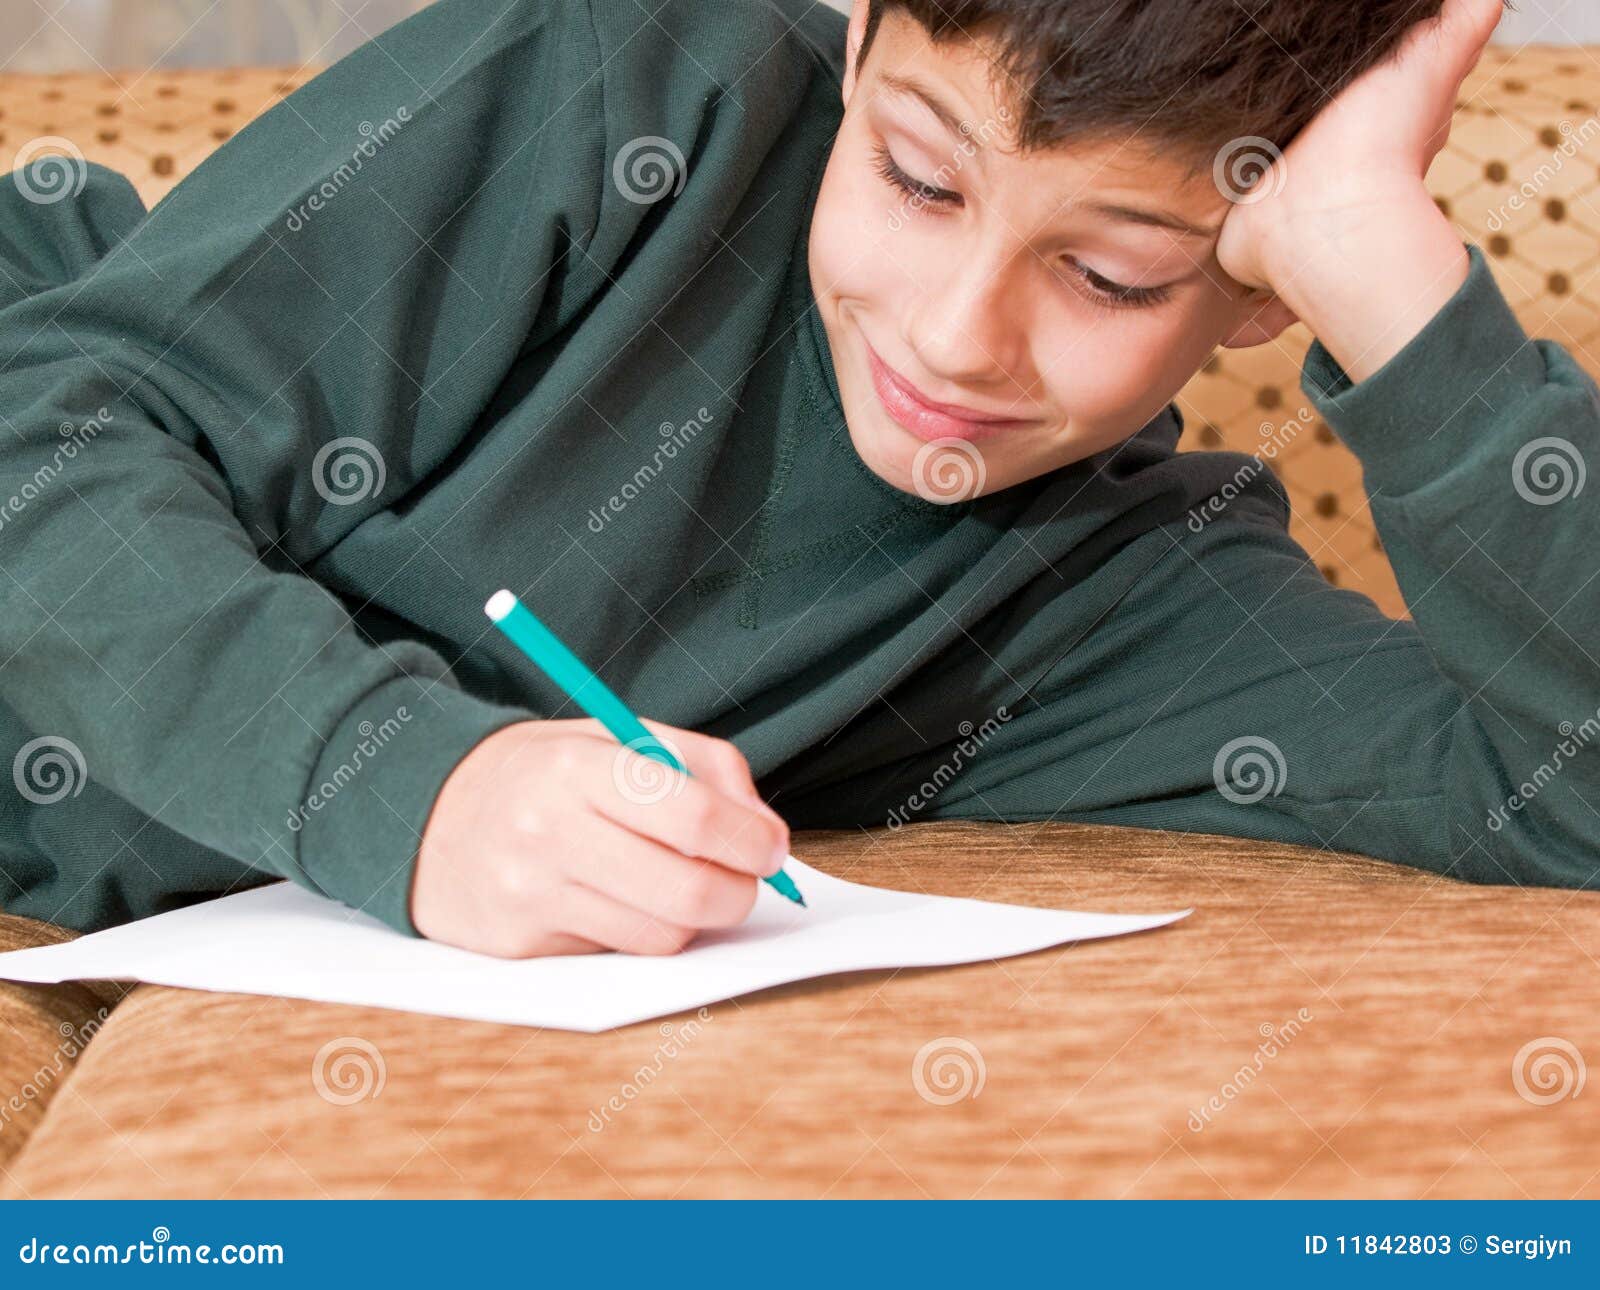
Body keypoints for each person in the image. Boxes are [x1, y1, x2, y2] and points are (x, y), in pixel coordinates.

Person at [3, 0, 1581, 962]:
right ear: (868, 36)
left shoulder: (1118, 604)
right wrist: (404, 785)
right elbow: (47, 440)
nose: (958, 340)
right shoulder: (638, 85)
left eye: (1105, 275)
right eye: (916, 175)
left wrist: (1407, 298)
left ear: (1258, 288)